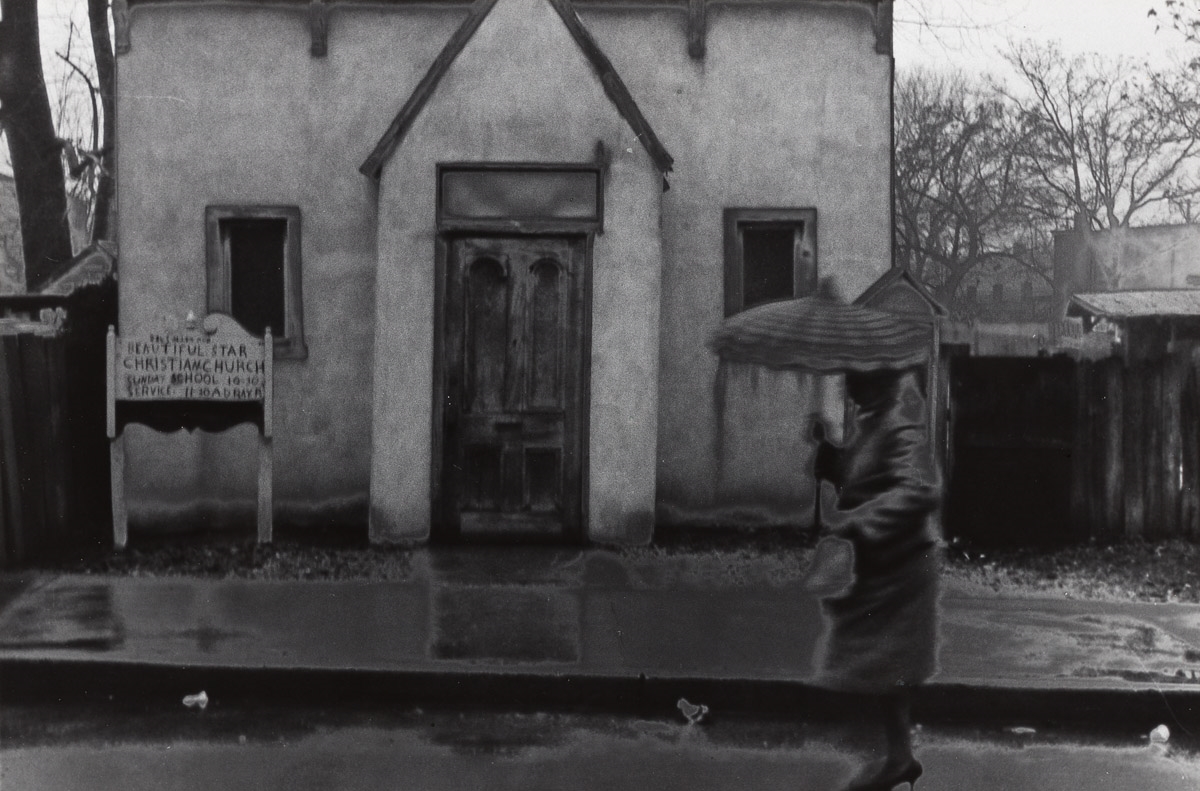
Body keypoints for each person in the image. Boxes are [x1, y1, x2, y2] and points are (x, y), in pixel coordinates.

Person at [810, 366, 943, 791]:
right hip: (882, 561)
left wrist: (858, 520)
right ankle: (897, 756)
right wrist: (830, 455)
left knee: (878, 661)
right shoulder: (876, 416)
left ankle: (889, 757)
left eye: (853, 379)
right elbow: (864, 473)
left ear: (875, 376)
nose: (847, 388)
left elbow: (919, 489)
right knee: (880, 663)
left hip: (903, 562)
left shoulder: (901, 417)